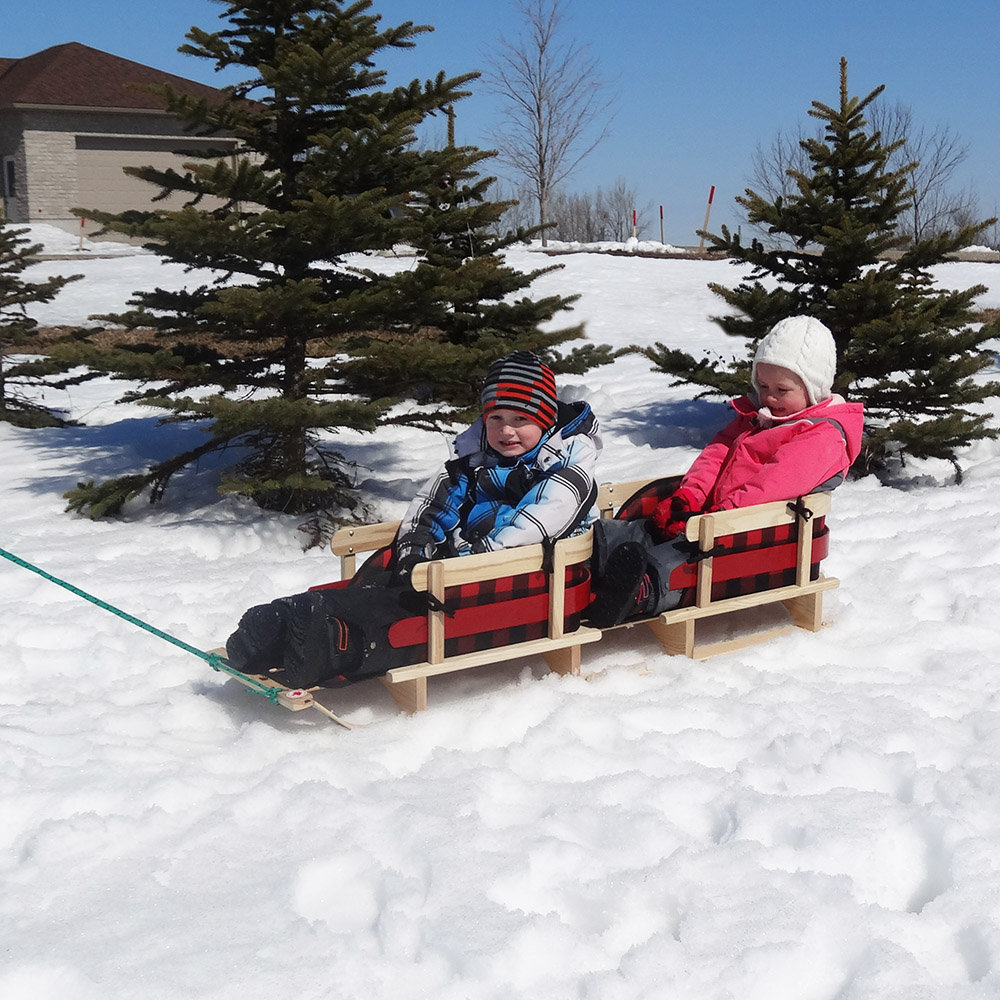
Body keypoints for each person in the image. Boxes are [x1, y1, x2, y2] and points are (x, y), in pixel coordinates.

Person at [225, 351, 602, 687]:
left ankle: (333, 642)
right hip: (455, 565)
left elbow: (538, 521)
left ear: (546, 418)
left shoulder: (567, 467)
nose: (506, 430)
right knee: (383, 577)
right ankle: (285, 623)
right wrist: (414, 548)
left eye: (520, 418)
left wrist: (470, 562)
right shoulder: (473, 461)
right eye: (496, 417)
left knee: (401, 614)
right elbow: (433, 503)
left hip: (525, 575)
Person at [587, 315, 864, 627]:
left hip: (754, 535)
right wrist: (690, 497)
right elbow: (716, 455)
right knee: (644, 530)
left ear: (812, 389)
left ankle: (640, 592)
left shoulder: (822, 435)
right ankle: (593, 559)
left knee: (677, 560)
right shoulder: (760, 416)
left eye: (782, 390)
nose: (769, 397)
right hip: (714, 519)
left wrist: (720, 517)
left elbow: (771, 485)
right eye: (762, 386)